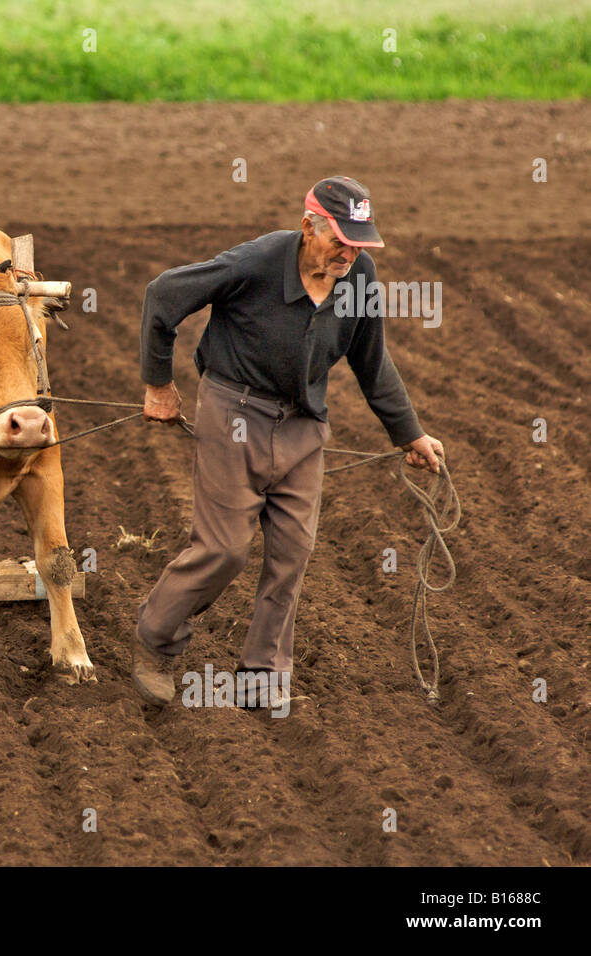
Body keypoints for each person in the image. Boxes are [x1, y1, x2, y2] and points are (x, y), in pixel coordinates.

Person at [133, 176, 445, 708]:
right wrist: (159, 383)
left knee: (291, 552)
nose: (350, 252)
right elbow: (164, 294)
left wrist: (409, 432)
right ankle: (157, 641)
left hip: (303, 425)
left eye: (359, 241)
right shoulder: (256, 262)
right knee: (224, 548)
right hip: (235, 410)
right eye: (340, 239)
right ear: (309, 227)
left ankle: (261, 676)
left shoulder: (358, 276)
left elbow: (372, 360)